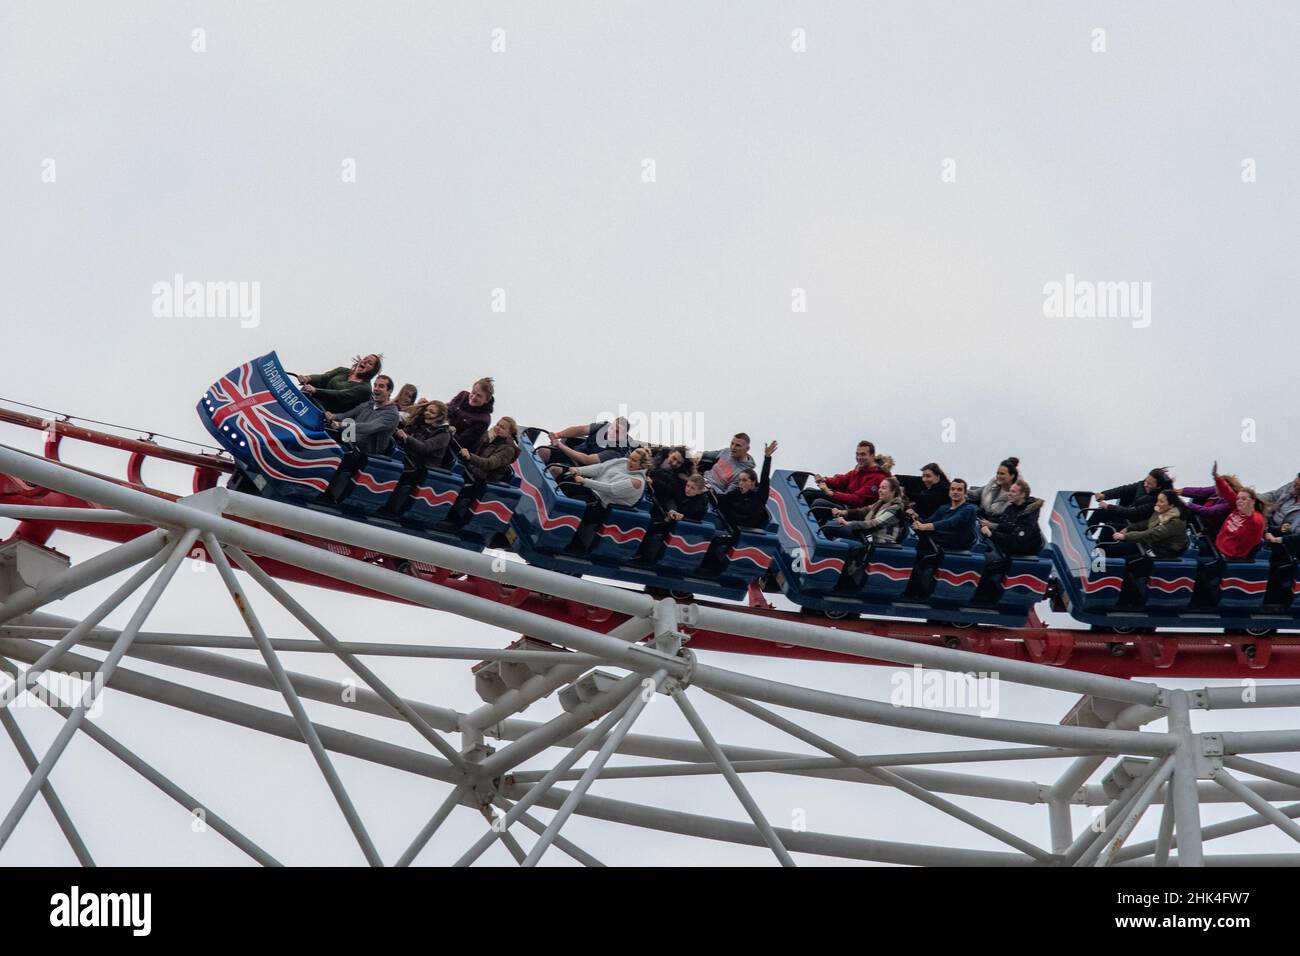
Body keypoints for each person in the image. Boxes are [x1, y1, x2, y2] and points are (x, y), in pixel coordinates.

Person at [319, 375, 400, 502]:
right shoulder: (368, 404)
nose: (376, 389)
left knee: (338, 452)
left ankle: (326, 494)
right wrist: (333, 416)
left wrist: (341, 425)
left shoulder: (392, 414)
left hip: (366, 454)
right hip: (350, 441)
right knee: (324, 440)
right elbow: (348, 415)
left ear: (389, 391)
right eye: (376, 385)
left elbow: (370, 427)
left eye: (381, 386)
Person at [561, 446, 654, 550]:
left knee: (576, 502)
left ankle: (567, 540)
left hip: (604, 508)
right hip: (592, 493)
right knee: (565, 482)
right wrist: (579, 470)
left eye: (634, 461)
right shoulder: (622, 461)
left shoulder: (637, 482)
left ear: (642, 465)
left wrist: (585, 482)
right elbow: (600, 468)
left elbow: (611, 489)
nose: (629, 461)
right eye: (630, 458)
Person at [381, 400, 454, 517]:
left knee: (398, 469)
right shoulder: (420, 424)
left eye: (432, 412)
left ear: (440, 417)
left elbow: (424, 447)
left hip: (423, 467)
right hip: (409, 457)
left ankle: (387, 507)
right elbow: (404, 432)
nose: (427, 413)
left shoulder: (444, 435)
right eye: (427, 410)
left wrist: (407, 438)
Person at [448, 417, 520, 525]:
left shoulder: (508, 449)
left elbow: (489, 464)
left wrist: (470, 457)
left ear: (510, 433)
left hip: (482, 480)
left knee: (456, 483)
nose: (497, 428)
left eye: (502, 427)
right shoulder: (490, 437)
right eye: (497, 425)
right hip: (472, 472)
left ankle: (453, 517)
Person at [801, 441, 891, 522]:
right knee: (808, 492)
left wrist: (832, 494)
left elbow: (857, 499)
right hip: (845, 503)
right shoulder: (859, 469)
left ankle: (811, 530)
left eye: (863, 454)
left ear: (872, 456)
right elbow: (842, 480)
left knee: (819, 503)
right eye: (857, 454)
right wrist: (825, 480)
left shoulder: (878, 477)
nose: (859, 457)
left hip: (854, 512)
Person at [1089, 467, 1174, 537]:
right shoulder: (1143, 485)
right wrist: (1104, 495)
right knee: (1100, 512)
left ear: (1158, 487)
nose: (1145, 485)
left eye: (1149, 484)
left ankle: (1099, 551)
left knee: (1109, 528)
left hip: (1136, 527)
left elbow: (1134, 513)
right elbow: (1124, 490)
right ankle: (1085, 534)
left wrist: (1109, 507)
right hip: (1126, 518)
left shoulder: (1158, 501)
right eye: (1146, 481)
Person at [541, 418, 643, 474]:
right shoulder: (603, 426)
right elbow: (581, 429)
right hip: (570, 454)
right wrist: (558, 435)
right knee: (543, 451)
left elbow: (587, 460)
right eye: (612, 428)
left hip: (581, 468)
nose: (612, 432)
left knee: (554, 469)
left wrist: (560, 445)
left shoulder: (616, 451)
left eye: (617, 432)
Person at [824, 477, 907, 545]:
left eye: (884, 488)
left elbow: (874, 524)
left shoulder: (896, 509)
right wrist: (842, 512)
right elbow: (864, 511)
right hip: (867, 536)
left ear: (893, 491)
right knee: (831, 524)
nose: (879, 490)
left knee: (830, 527)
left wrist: (847, 523)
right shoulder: (880, 502)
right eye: (879, 487)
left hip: (878, 543)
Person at [715, 442, 778, 530]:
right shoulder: (736, 493)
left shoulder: (759, 497)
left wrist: (767, 458)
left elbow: (764, 479)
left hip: (740, 534)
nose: (741, 483)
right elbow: (721, 499)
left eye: (744, 480)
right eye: (740, 480)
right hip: (725, 525)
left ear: (753, 482)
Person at [1210, 462, 1266, 560]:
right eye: (1238, 498)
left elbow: (1254, 520)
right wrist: (1216, 477)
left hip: (1230, 557)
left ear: (1252, 501)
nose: (1239, 501)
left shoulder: (1257, 519)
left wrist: (1249, 512)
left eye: (1244, 499)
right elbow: (1228, 492)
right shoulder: (1237, 509)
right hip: (1217, 548)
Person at [292, 354, 381, 413]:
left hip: (328, 414)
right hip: (313, 400)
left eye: (370, 363)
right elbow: (323, 378)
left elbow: (340, 395)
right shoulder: (342, 370)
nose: (365, 362)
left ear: (373, 371)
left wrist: (315, 391)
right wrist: (307, 378)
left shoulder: (365, 389)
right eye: (365, 359)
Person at [912, 478, 978, 552]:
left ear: (965, 493)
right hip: (937, 542)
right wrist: (916, 518)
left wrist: (924, 527)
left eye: (959, 490)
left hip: (954, 546)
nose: (955, 492)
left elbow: (950, 522)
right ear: (949, 492)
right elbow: (928, 521)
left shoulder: (969, 509)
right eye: (952, 489)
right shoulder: (944, 508)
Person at [1177, 475, 1242, 538]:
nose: (1215, 487)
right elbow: (1200, 491)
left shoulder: (1228, 504)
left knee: (1188, 509)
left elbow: (1209, 512)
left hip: (1210, 526)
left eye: (1217, 486)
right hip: (1201, 517)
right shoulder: (1216, 491)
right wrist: (1180, 491)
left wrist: (1187, 504)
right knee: (1196, 498)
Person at [447, 378, 496, 451]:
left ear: (486, 400)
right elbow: (446, 411)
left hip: (450, 447)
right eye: (473, 392)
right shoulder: (463, 395)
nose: (473, 397)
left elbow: (461, 442)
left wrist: (447, 430)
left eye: (479, 396)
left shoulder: (483, 420)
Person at [647, 447, 694, 514]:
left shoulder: (680, 478)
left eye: (679, 463)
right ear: (670, 453)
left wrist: (653, 482)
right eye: (674, 458)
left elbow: (668, 494)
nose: (674, 463)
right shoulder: (653, 456)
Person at [1260, 472, 1300, 537]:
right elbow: (1273, 495)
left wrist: (1290, 528)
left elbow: (1297, 529)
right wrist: (1254, 498)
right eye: (1295, 483)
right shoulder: (1290, 487)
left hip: (1284, 532)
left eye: (1298, 485)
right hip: (1270, 519)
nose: (1295, 487)